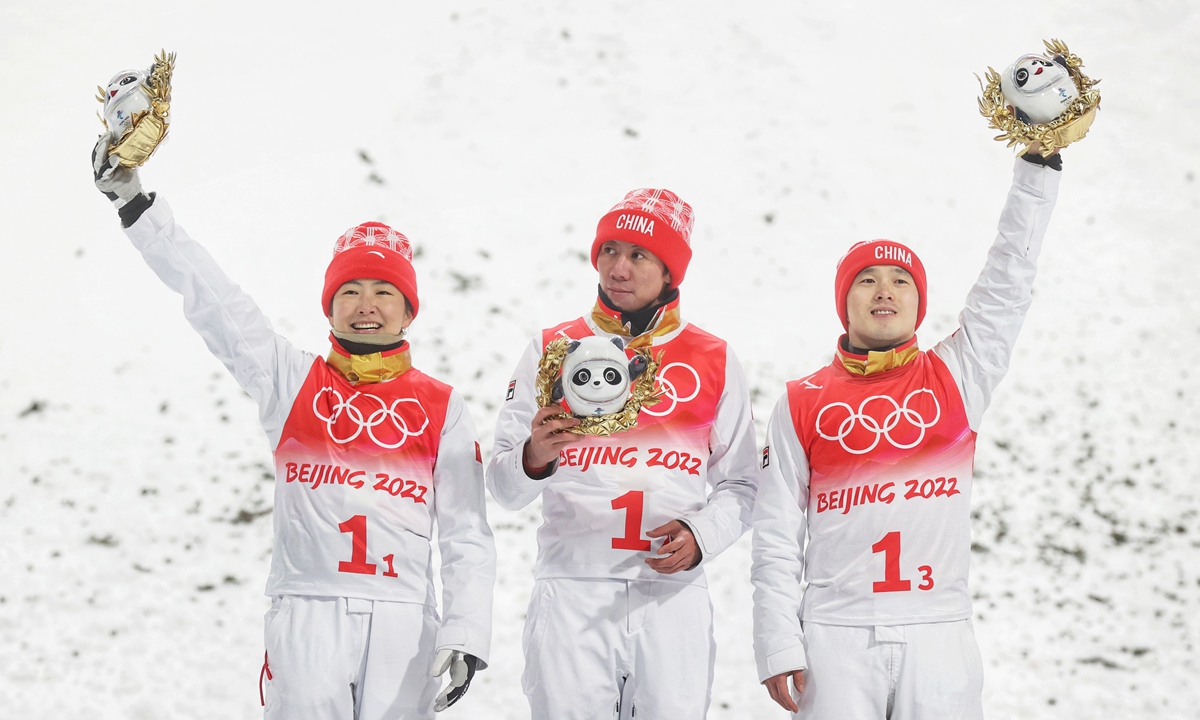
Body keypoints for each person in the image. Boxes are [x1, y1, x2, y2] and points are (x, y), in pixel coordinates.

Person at [92, 132, 495, 720]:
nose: (366, 304)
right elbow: (215, 301)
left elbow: (466, 530)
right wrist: (134, 203)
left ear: (409, 310)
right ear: (328, 307)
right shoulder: (290, 380)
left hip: (405, 620)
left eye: (385, 292)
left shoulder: (441, 404)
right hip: (309, 610)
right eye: (349, 290)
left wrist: (467, 630)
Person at [750, 149, 1064, 719]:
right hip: (834, 636)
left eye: (900, 280)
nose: (884, 291)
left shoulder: (958, 374)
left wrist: (1038, 169)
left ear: (919, 303)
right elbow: (774, 534)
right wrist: (776, 642)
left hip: (938, 632)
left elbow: (1007, 284)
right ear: (844, 304)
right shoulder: (802, 401)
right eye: (866, 280)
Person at [487, 188, 758, 719]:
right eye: (609, 249)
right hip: (571, 590)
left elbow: (743, 485)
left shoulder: (714, 358)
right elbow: (501, 486)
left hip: (670, 595)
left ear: (669, 271)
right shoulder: (551, 349)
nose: (619, 267)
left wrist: (702, 536)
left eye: (638, 254)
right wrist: (533, 455)